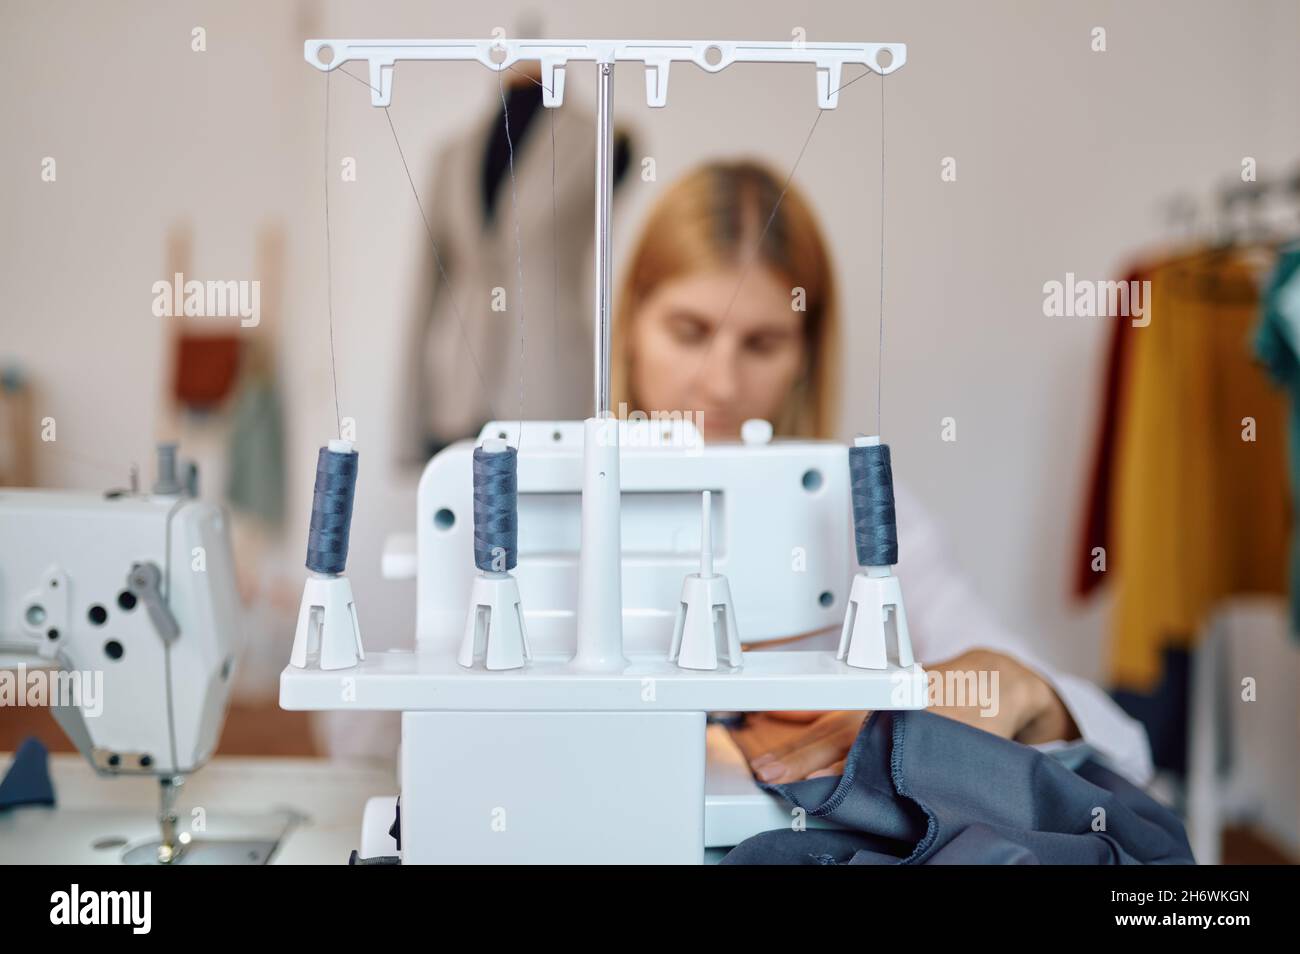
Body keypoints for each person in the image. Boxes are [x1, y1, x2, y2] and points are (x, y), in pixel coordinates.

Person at [611, 159, 1154, 786]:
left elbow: (1121, 743)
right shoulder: (538, 503)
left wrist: (1018, 687)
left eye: (763, 344)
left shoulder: (859, 510)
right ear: (629, 325)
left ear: (806, 353)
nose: (721, 383)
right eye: (689, 333)